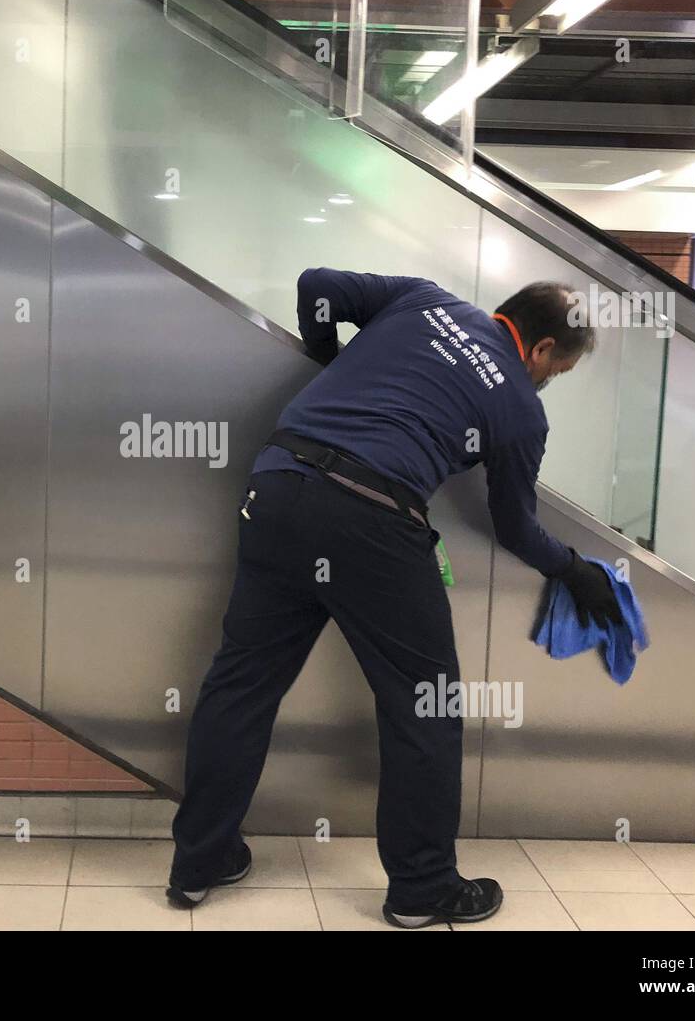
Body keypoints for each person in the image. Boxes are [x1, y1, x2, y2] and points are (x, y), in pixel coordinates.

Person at [165, 267, 623, 928]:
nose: (549, 381)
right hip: (372, 522)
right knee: (425, 705)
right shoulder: (522, 410)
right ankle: (421, 887)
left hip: (277, 484)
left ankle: (198, 862)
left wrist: (323, 357)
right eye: (560, 369)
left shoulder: (425, 299)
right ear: (544, 349)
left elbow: (316, 284)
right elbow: (515, 525)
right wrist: (573, 569)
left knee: (241, 683)